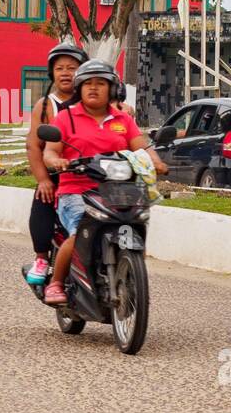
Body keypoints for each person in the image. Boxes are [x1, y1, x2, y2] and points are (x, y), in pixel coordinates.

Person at [39, 59, 168, 306]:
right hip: (76, 190)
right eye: (88, 83)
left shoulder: (123, 120)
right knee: (78, 232)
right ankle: (56, 282)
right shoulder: (66, 118)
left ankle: (128, 270)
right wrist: (57, 161)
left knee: (134, 224)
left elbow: (143, 148)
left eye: (100, 83)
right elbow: (50, 152)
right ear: (79, 88)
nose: (94, 88)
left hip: (120, 190)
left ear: (112, 89)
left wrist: (157, 163)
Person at [24, 41, 85, 284]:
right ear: (52, 73)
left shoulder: (93, 100)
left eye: (72, 68)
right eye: (60, 68)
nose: (66, 73)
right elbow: (33, 146)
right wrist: (43, 179)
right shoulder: (46, 105)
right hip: (57, 173)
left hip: (91, 171)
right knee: (43, 200)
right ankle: (41, 258)